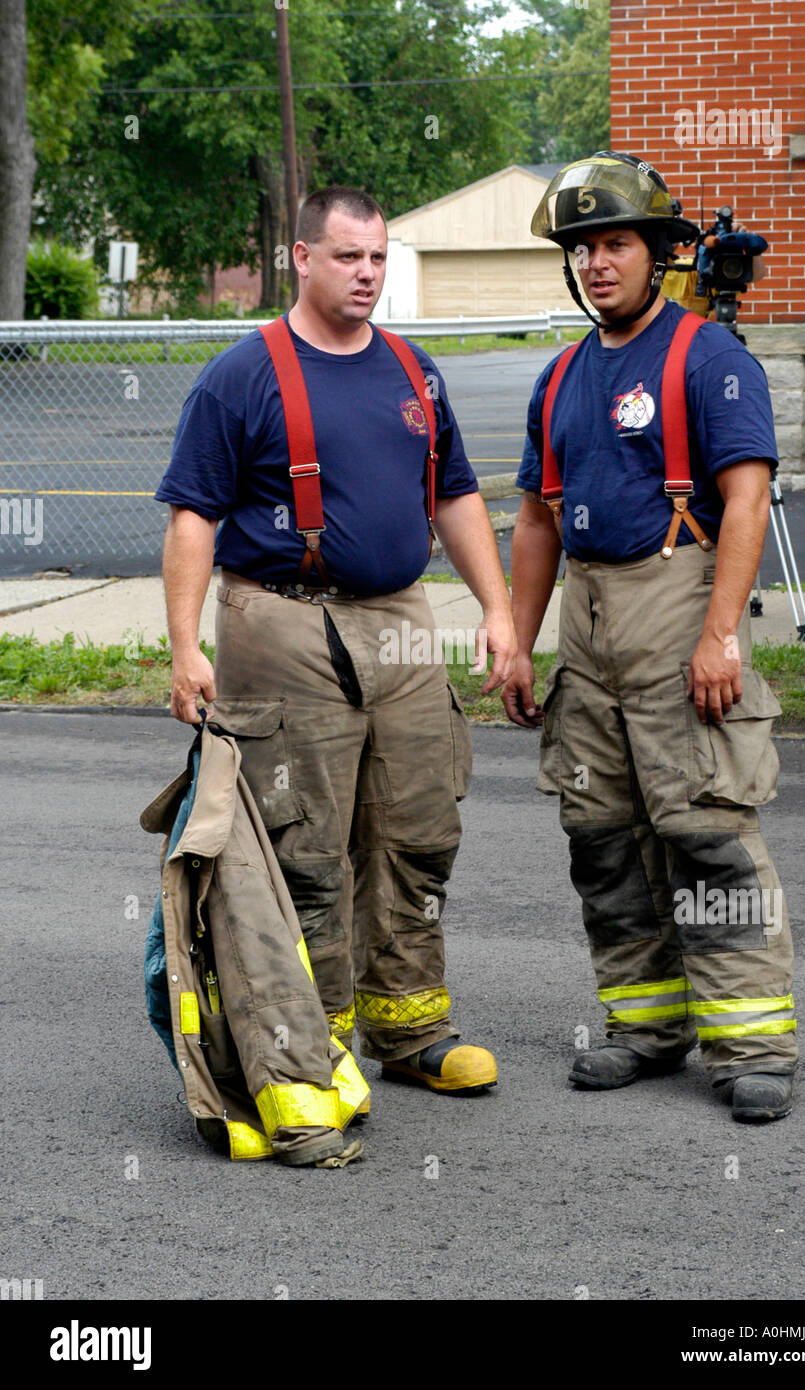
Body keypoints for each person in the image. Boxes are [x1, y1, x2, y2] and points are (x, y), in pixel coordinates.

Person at [155, 184, 516, 1099]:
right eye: (350, 257)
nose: (368, 274)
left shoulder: (414, 371)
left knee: (418, 828)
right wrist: (185, 646)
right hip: (279, 624)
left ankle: (411, 1026)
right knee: (304, 846)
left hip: (399, 621)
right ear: (303, 259)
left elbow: (457, 493)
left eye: (380, 258)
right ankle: (315, 1039)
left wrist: (500, 611)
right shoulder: (240, 376)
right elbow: (193, 516)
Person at [502, 152, 797, 1123]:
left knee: (704, 831)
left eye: (613, 244)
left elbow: (745, 500)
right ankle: (645, 1026)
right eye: (580, 249)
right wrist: (514, 634)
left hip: (675, 608)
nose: (594, 264)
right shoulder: (558, 378)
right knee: (601, 839)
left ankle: (748, 1040)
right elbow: (538, 518)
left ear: (659, 254)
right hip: (585, 627)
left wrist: (721, 635)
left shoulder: (706, 357)